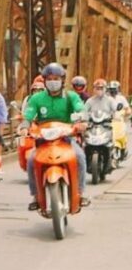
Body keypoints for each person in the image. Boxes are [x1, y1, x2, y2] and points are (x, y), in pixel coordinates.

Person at [18, 63, 88, 210]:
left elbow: (80, 109)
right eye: (49, 79)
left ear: (62, 80)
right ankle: (36, 196)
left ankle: (80, 193)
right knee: (31, 160)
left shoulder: (71, 96)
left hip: (66, 138)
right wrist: (24, 127)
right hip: (43, 139)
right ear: (44, 81)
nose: (53, 82)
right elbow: (28, 116)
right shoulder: (37, 98)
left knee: (80, 157)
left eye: (56, 78)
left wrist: (82, 121)